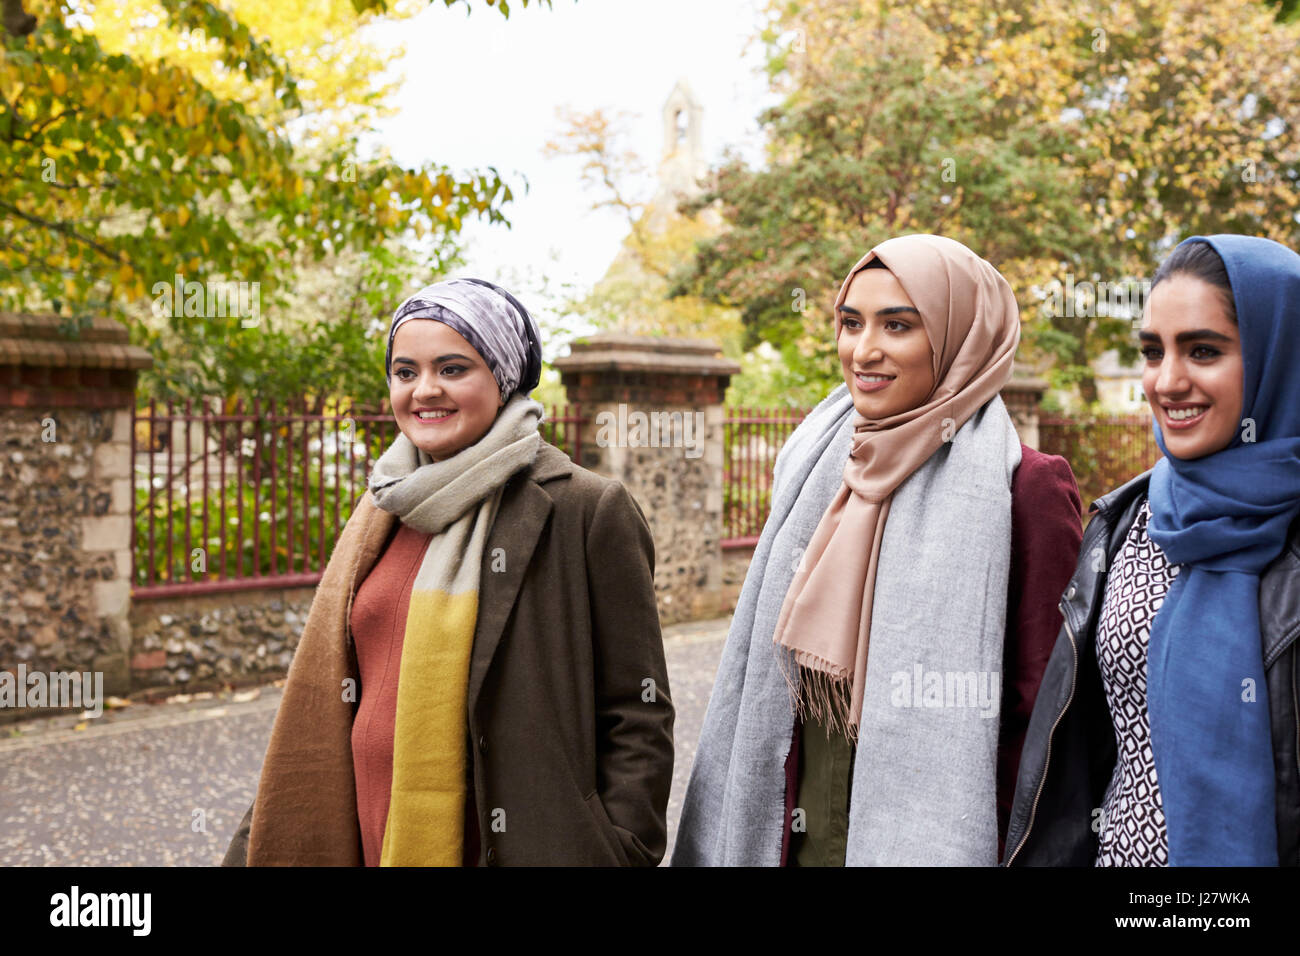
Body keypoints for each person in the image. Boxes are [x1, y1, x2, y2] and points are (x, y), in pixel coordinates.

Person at [222, 277, 674, 866]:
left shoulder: (584, 509)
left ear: (503, 377)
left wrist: (620, 847)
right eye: (405, 372)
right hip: (368, 835)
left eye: (453, 369)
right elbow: (324, 694)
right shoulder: (382, 507)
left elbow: (638, 707)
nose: (424, 391)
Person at [672, 234, 1082, 866]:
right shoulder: (813, 466)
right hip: (796, 841)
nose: (864, 351)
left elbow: (1045, 720)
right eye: (851, 323)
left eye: (898, 325)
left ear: (959, 337)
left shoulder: (1025, 487)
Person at [1005, 235, 1300, 867]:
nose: (1168, 381)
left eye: (1203, 350)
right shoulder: (1125, 522)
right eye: (1150, 352)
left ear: (1281, 354)